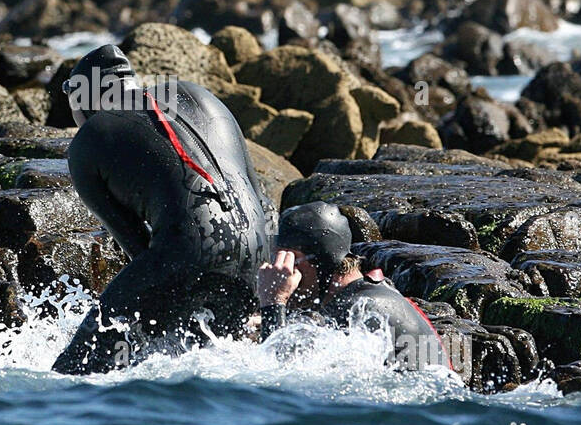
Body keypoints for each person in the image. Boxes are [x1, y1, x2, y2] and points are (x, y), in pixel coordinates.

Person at [52, 44, 276, 374]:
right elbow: (259, 199)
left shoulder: (89, 140)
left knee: (75, 371)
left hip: (186, 254)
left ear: (82, 99)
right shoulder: (198, 94)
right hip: (258, 252)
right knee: (229, 365)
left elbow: (137, 248)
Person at [256, 202, 452, 371]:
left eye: (287, 260)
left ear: (320, 261)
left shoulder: (362, 308)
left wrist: (274, 302)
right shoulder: (366, 295)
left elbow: (278, 371)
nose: (282, 272)